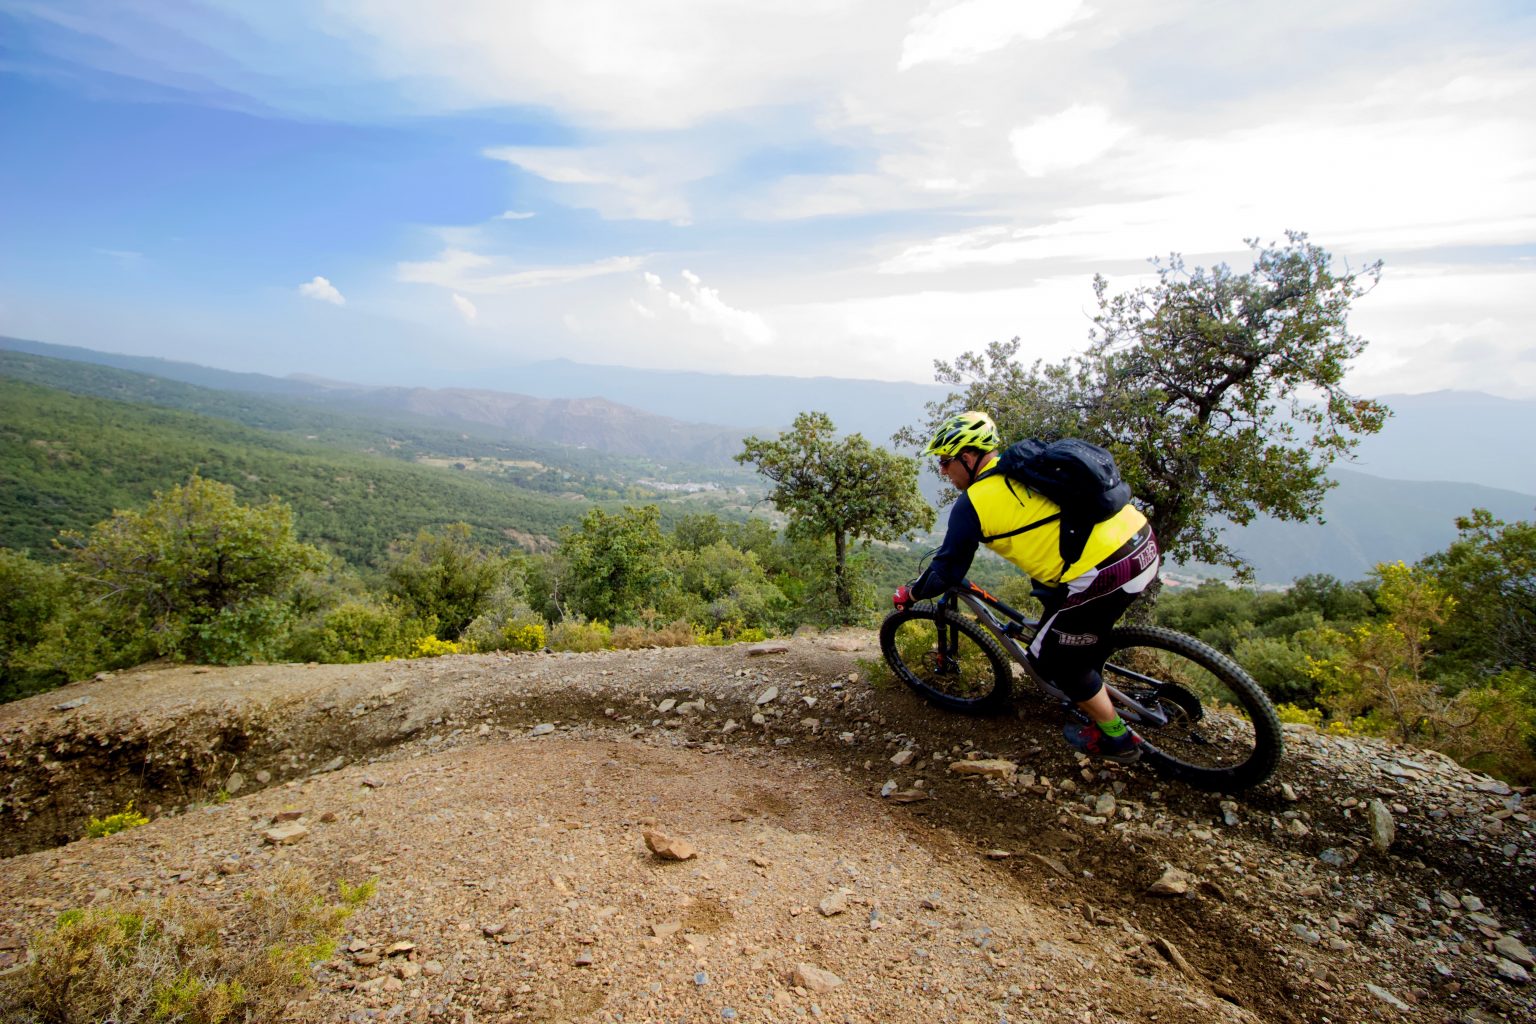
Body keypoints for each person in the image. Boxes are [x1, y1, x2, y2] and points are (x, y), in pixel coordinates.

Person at [893, 411, 1160, 763]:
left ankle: (1117, 738)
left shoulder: (973, 503)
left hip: (1107, 569)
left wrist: (910, 594)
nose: (943, 471)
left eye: (946, 462)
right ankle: (1087, 678)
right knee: (1061, 625)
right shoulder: (1026, 467)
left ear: (968, 458)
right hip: (1140, 540)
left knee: (1053, 661)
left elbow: (945, 571)